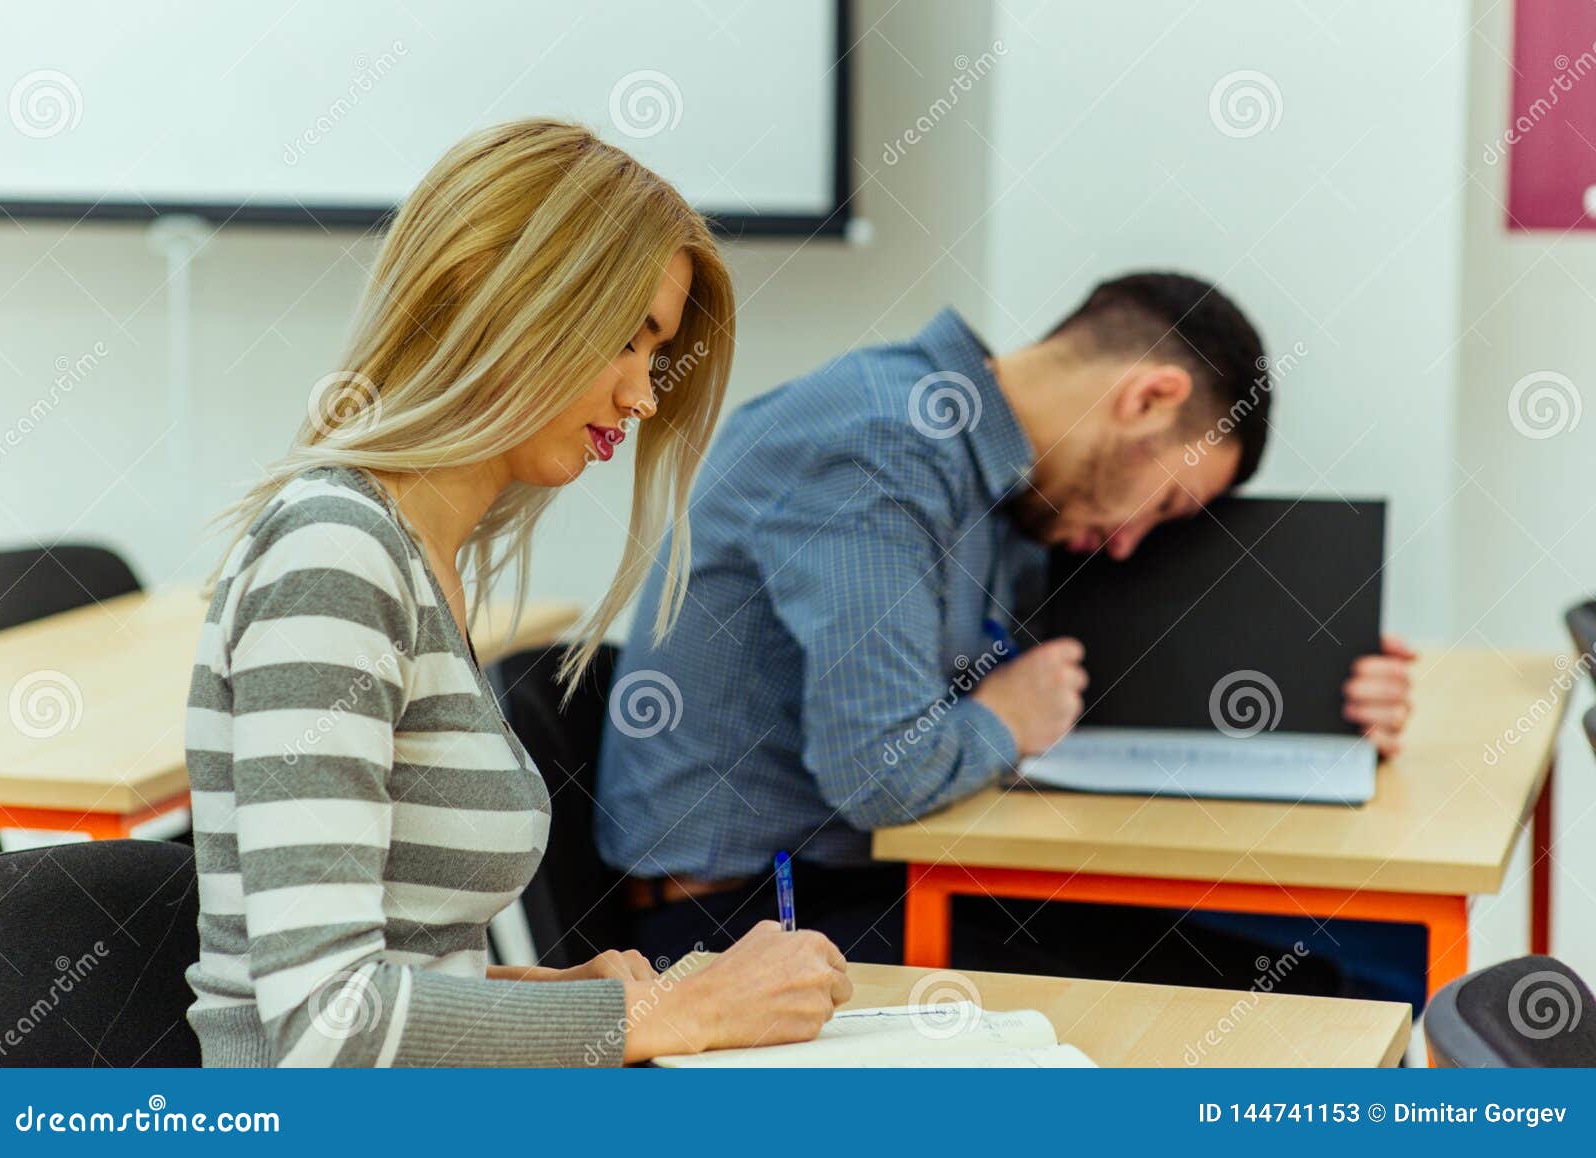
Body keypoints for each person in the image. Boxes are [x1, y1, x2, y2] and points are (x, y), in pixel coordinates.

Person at [183, 118, 850, 1068]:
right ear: (491, 299)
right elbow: (328, 1032)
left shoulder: (422, 560)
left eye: (656, 356)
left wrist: (550, 997)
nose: (645, 398)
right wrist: (671, 1018)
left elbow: (393, 965)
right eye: (627, 340)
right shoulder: (334, 558)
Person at [595, 273, 1417, 1002]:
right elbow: (878, 772)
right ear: (1148, 398)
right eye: (1164, 506)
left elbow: (1103, 655)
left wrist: (1325, 687)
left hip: (877, 879)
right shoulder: (883, 445)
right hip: (741, 928)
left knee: (1368, 955)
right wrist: (1005, 720)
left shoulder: (996, 470)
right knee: (1328, 988)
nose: (1132, 542)